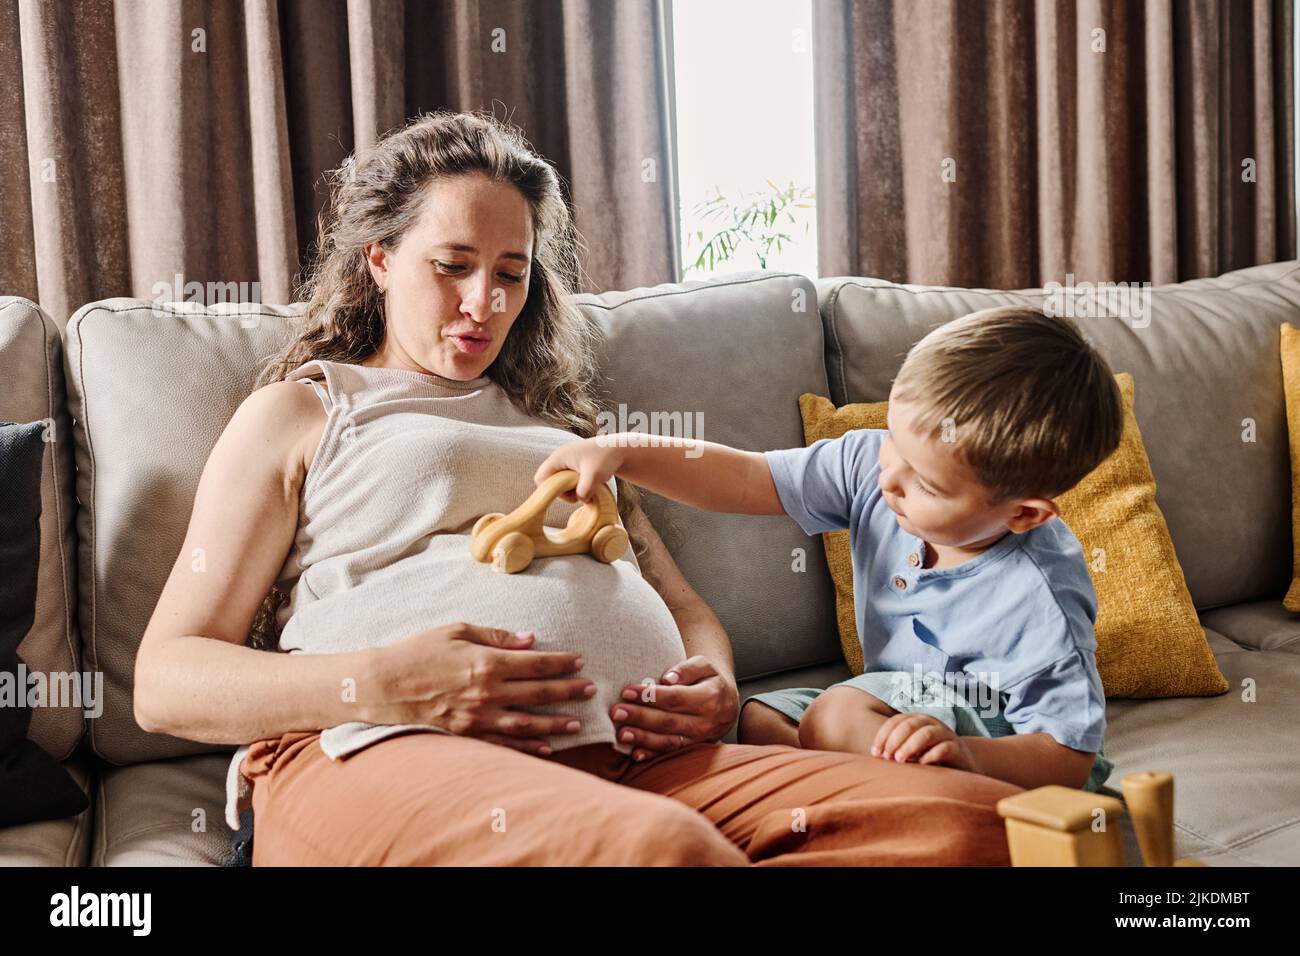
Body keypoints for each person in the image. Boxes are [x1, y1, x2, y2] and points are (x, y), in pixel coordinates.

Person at [133, 110, 1022, 867]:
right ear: (378, 258)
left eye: (511, 273)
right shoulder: (304, 410)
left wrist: (713, 684)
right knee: (657, 853)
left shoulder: (569, 434)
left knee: (983, 827)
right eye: (452, 266)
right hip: (380, 748)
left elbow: (684, 607)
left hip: (641, 762)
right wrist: (383, 684)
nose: (484, 302)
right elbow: (166, 681)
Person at [538, 306, 1123, 794]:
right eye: (895, 439)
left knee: (837, 716)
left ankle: (909, 797)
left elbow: (1068, 755)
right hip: (893, 709)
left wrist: (966, 756)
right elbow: (747, 479)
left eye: (926, 483)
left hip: (999, 749)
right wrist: (622, 452)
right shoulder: (873, 466)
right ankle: (869, 790)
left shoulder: (1038, 592)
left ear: (1023, 514)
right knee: (760, 716)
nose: (888, 478)